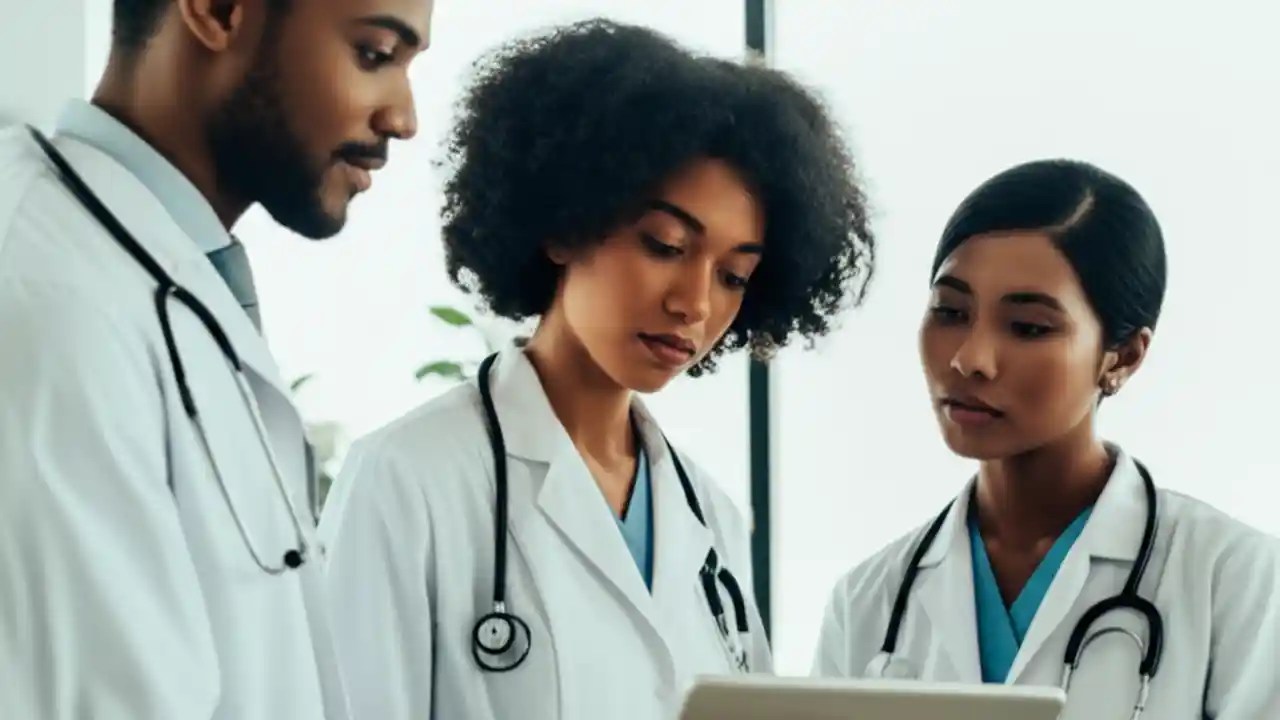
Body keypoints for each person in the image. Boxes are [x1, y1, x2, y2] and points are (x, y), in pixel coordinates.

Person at [319, 19, 875, 720]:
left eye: (735, 276)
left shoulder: (713, 522)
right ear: (562, 224)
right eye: (665, 245)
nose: (694, 304)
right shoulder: (410, 478)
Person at [0, 0, 432, 717]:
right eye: (375, 54)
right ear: (217, 10)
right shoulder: (48, 297)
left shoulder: (163, 276)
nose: (403, 117)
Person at [812, 159, 1280, 718]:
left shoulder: (1234, 579)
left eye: (1028, 327)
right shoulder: (869, 603)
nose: (969, 359)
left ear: (1123, 356)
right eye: (951, 311)